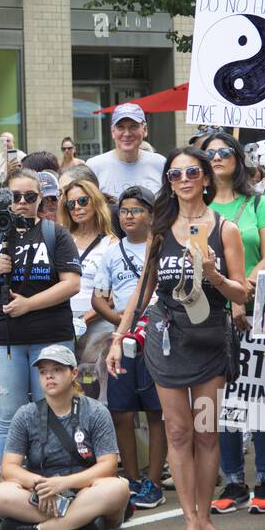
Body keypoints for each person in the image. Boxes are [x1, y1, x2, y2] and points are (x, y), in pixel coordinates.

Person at [104, 148, 249, 530]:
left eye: (191, 172)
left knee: (206, 432)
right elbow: (143, 289)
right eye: (174, 174)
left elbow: (241, 292)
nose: (183, 179)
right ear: (169, 182)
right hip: (167, 342)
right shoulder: (161, 228)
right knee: (179, 431)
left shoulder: (226, 229)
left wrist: (214, 275)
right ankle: (189, 521)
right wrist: (119, 338)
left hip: (209, 343)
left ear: (205, 178)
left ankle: (206, 519)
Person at [0, 168, 81, 465]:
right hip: (5, 341)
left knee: (55, 411)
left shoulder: (55, 234)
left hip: (51, 337)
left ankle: (59, 479)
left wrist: (29, 304)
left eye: (29, 197)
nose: (22, 202)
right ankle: (13, 486)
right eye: (16, 196)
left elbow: (72, 283)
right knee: (10, 418)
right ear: (6, 197)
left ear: (40, 199)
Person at [201, 130, 265, 515]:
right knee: (223, 398)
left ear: (237, 157)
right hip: (209, 311)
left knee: (258, 394)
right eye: (209, 153)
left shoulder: (257, 203)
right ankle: (233, 480)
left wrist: (242, 289)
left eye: (223, 151)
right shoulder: (194, 207)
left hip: (256, 306)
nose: (216, 157)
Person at [0, 344, 129, 530]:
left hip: (85, 491)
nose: (49, 376)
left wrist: (63, 484)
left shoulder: (96, 411)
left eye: (57, 370)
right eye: (43, 371)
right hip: (44, 496)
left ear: (74, 373)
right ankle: (81, 522)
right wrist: (41, 485)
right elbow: (9, 467)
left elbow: (109, 466)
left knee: (117, 488)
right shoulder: (26, 414)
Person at [92, 186, 166, 509]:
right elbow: (98, 295)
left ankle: (154, 479)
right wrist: (117, 319)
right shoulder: (111, 250)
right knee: (120, 409)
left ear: (151, 214)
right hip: (122, 337)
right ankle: (133, 478)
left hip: (155, 333)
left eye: (136, 210)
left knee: (155, 410)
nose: (129, 217)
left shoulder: (160, 246)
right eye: (124, 211)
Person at [60, 177, 116, 396]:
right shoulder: (62, 239)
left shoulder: (110, 243)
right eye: (71, 204)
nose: (77, 208)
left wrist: (85, 319)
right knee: (69, 389)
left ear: (95, 202)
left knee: (99, 391)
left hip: (99, 324)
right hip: (65, 321)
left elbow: (111, 293)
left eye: (83, 201)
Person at [87, 104, 167, 199]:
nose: (127, 133)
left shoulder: (160, 163)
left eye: (133, 126)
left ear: (144, 129)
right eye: (120, 127)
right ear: (113, 131)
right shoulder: (94, 166)